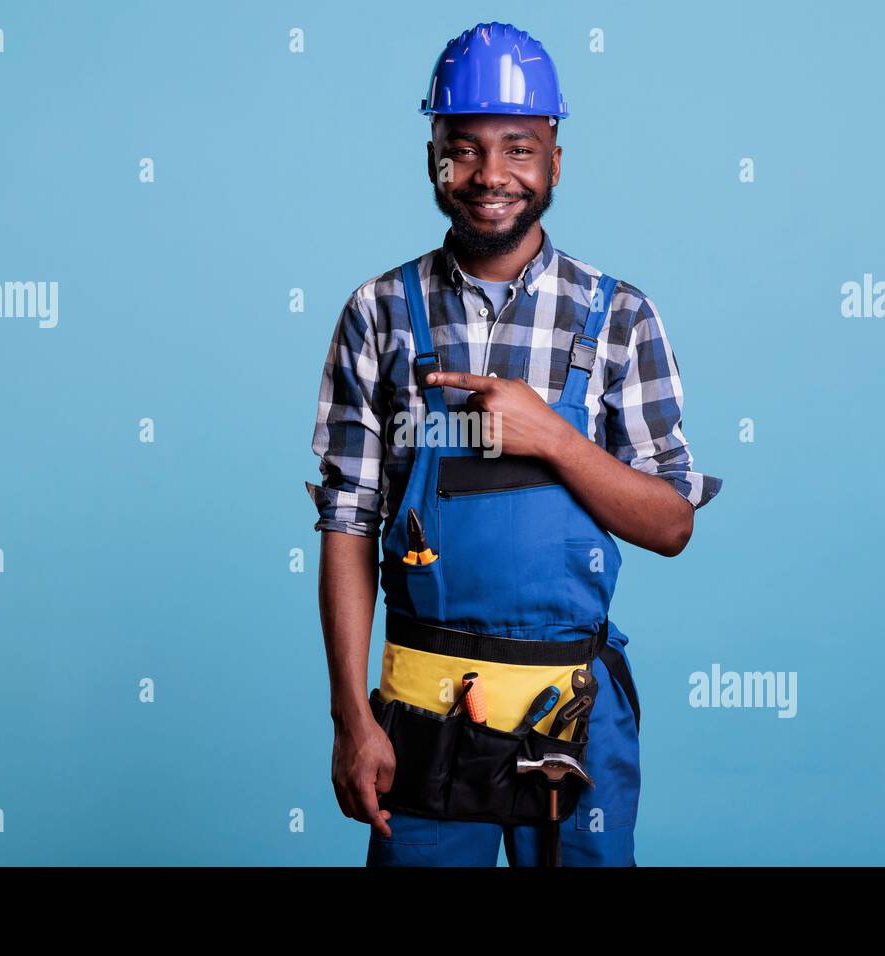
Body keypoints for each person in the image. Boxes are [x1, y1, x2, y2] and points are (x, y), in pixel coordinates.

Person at [306, 22, 722, 866]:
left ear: (555, 161)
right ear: (432, 154)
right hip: (420, 723)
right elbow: (348, 524)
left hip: (571, 717)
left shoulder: (619, 318)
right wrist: (352, 719)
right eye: (463, 149)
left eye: (518, 148)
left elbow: (670, 524)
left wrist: (553, 437)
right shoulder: (379, 313)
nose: (490, 176)